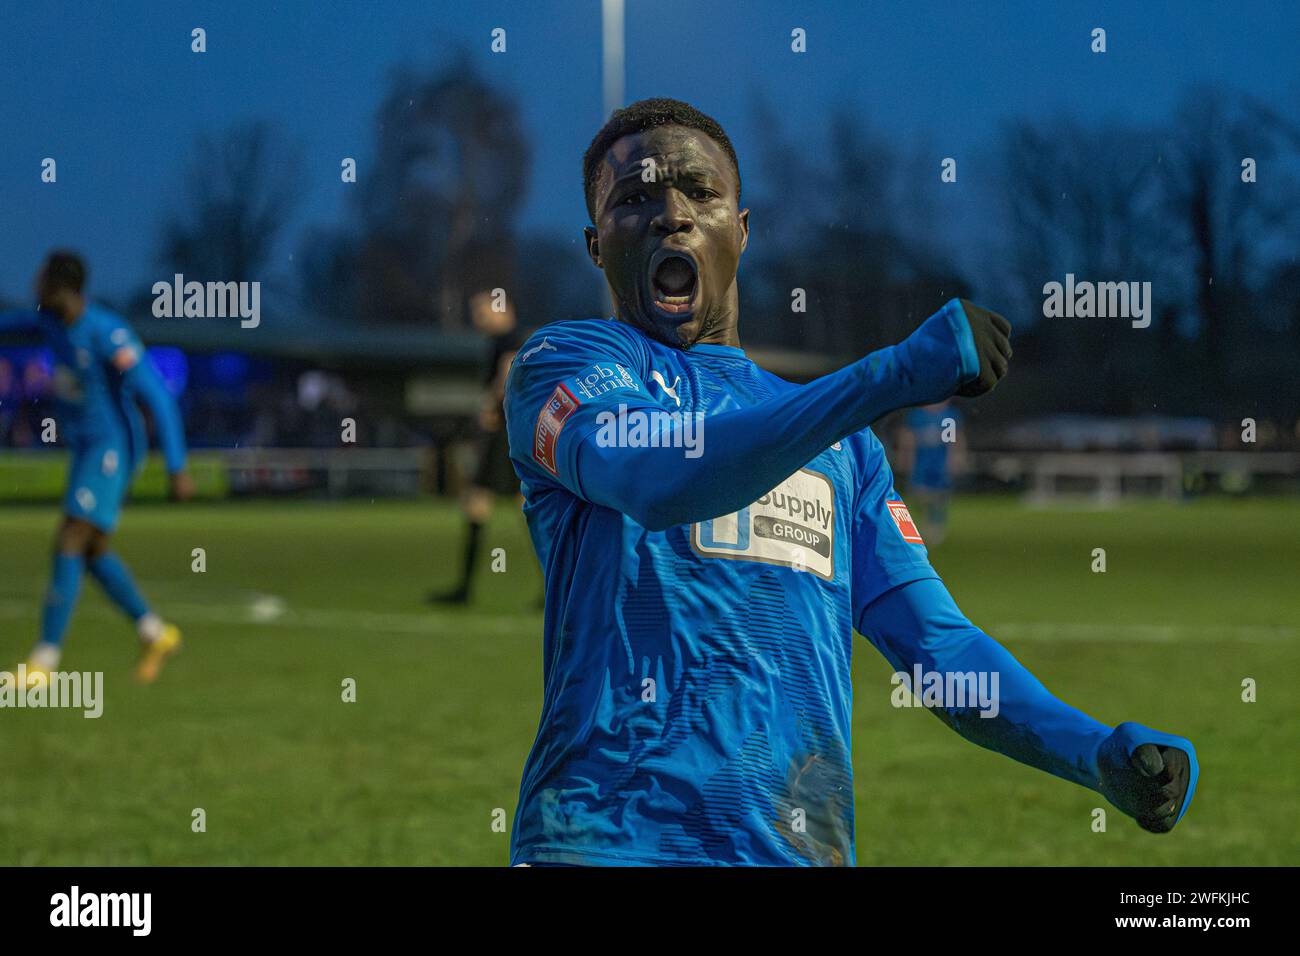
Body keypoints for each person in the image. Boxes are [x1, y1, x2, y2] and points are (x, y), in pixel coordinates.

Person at [498, 99, 1198, 866]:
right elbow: (657, 475)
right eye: (634, 199)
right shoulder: (567, 366)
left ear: (742, 227)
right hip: (607, 844)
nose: (671, 215)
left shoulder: (845, 449)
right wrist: (890, 374)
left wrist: (1092, 752)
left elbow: (941, 651)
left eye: (700, 193)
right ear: (597, 246)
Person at [0, 252, 192, 684]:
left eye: (40, 277)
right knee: (91, 549)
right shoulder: (48, 322)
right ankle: (154, 632)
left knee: (70, 535)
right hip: (85, 449)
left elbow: (157, 398)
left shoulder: (108, 333)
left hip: (113, 449)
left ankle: (44, 662)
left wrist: (176, 465)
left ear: (60, 286)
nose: (32, 285)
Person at [430, 290, 525, 605]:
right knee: (518, 507)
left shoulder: (509, 340)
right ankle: (556, 588)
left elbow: (507, 373)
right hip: (510, 433)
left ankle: (464, 590)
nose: (479, 321)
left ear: (503, 309)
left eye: (483, 313)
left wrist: (490, 408)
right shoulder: (507, 339)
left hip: (504, 435)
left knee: (514, 507)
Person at [897, 400, 964, 545]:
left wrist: (954, 459)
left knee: (940, 496)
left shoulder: (947, 417)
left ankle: (935, 526)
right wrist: (906, 457)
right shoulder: (917, 416)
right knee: (919, 495)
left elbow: (952, 441)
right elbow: (908, 439)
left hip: (939, 463)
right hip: (921, 463)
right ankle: (927, 520)